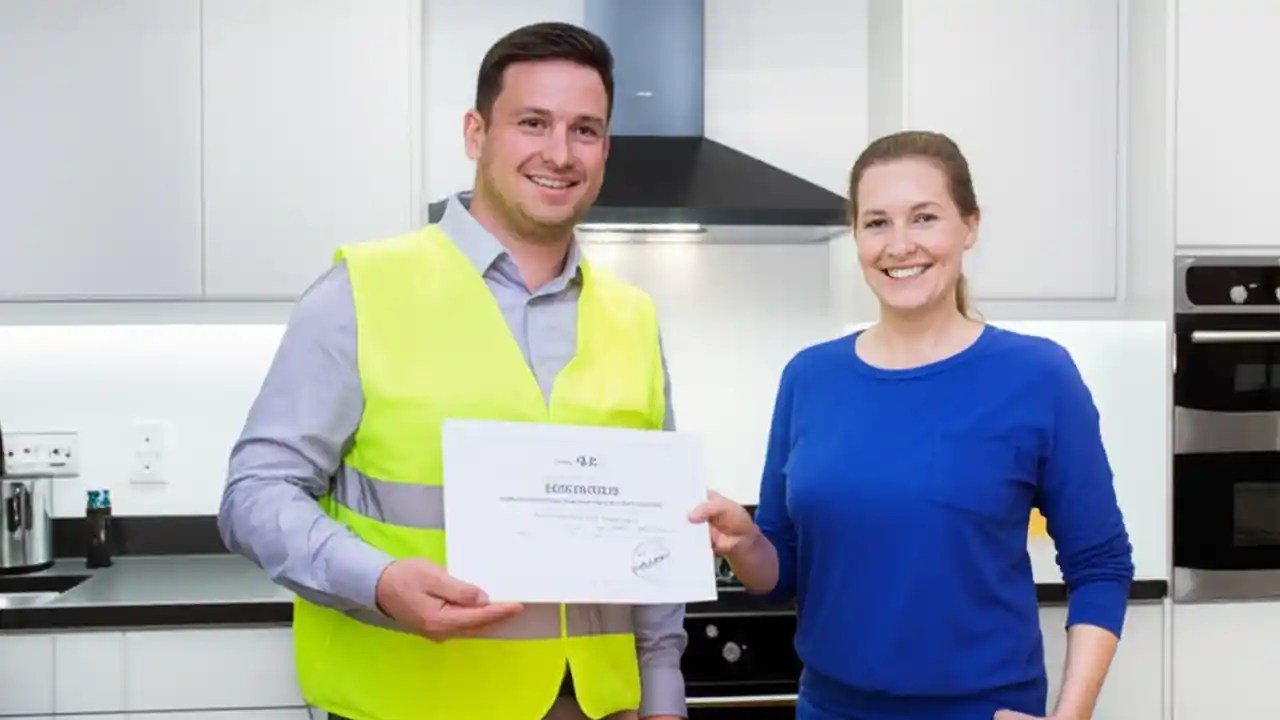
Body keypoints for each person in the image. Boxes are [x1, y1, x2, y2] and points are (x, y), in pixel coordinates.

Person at [218, 21, 688, 720]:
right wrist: (377, 580)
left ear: (605, 148)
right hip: (407, 702)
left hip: (593, 709)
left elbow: (655, 533)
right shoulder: (361, 291)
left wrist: (662, 696)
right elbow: (254, 494)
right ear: (476, 133)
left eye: (585, 130)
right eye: (533, 122)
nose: (559, 153)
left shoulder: (633, 317)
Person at [689, 130, 1135, 720]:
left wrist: (1069, 716)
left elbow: (1101, 563)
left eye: (924, 218)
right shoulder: (810, 376)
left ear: (969, 226)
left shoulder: (1038, 375)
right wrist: (745, 542)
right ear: (856, 236)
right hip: (830, 708)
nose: (900, 245)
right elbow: (780, 575)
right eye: (877, 223)